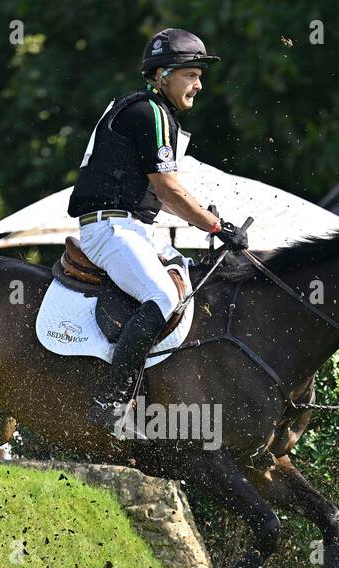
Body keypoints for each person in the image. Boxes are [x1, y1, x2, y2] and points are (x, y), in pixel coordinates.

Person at [68, 28, 251, 433]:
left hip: (135, 229)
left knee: (192, 285)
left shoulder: (154, 112)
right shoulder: (148, 112)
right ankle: (112, 400)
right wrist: (217, 226)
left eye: (200, 75)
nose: (199, 85)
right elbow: (167, 188)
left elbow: (165, 193)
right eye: (191, 75)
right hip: (110, 230)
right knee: (163, 295)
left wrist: (209, 218)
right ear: (163, 73)